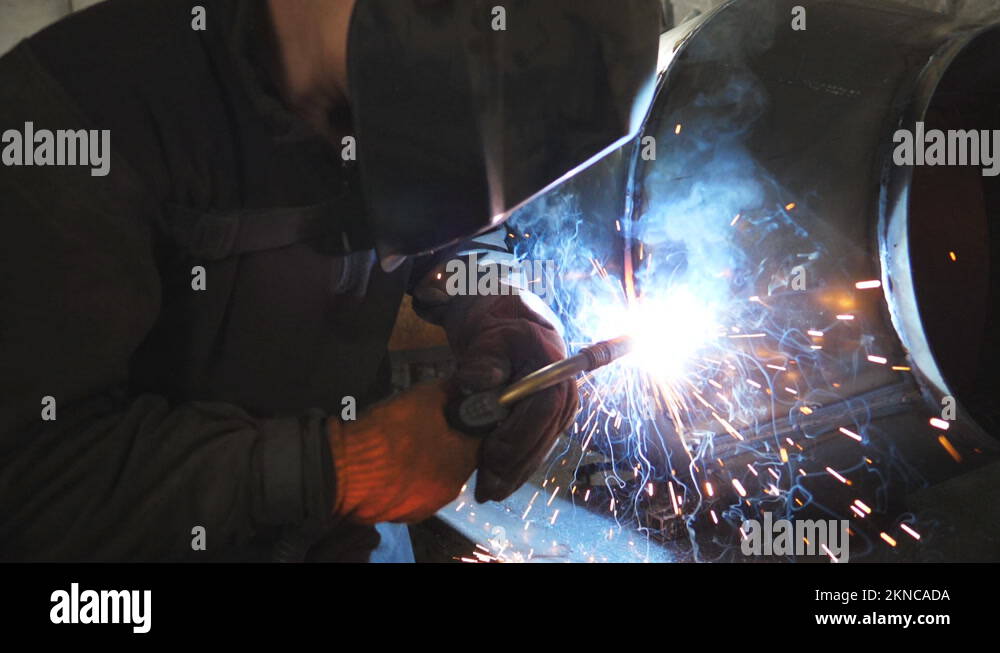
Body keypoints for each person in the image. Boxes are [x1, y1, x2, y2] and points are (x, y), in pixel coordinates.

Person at [0, 0, 659, 561]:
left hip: (349, 531)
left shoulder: (420, 78)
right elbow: (31, 483)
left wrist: (498, 301)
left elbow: (449, 224)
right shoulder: (68, 121)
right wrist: (335, 466)